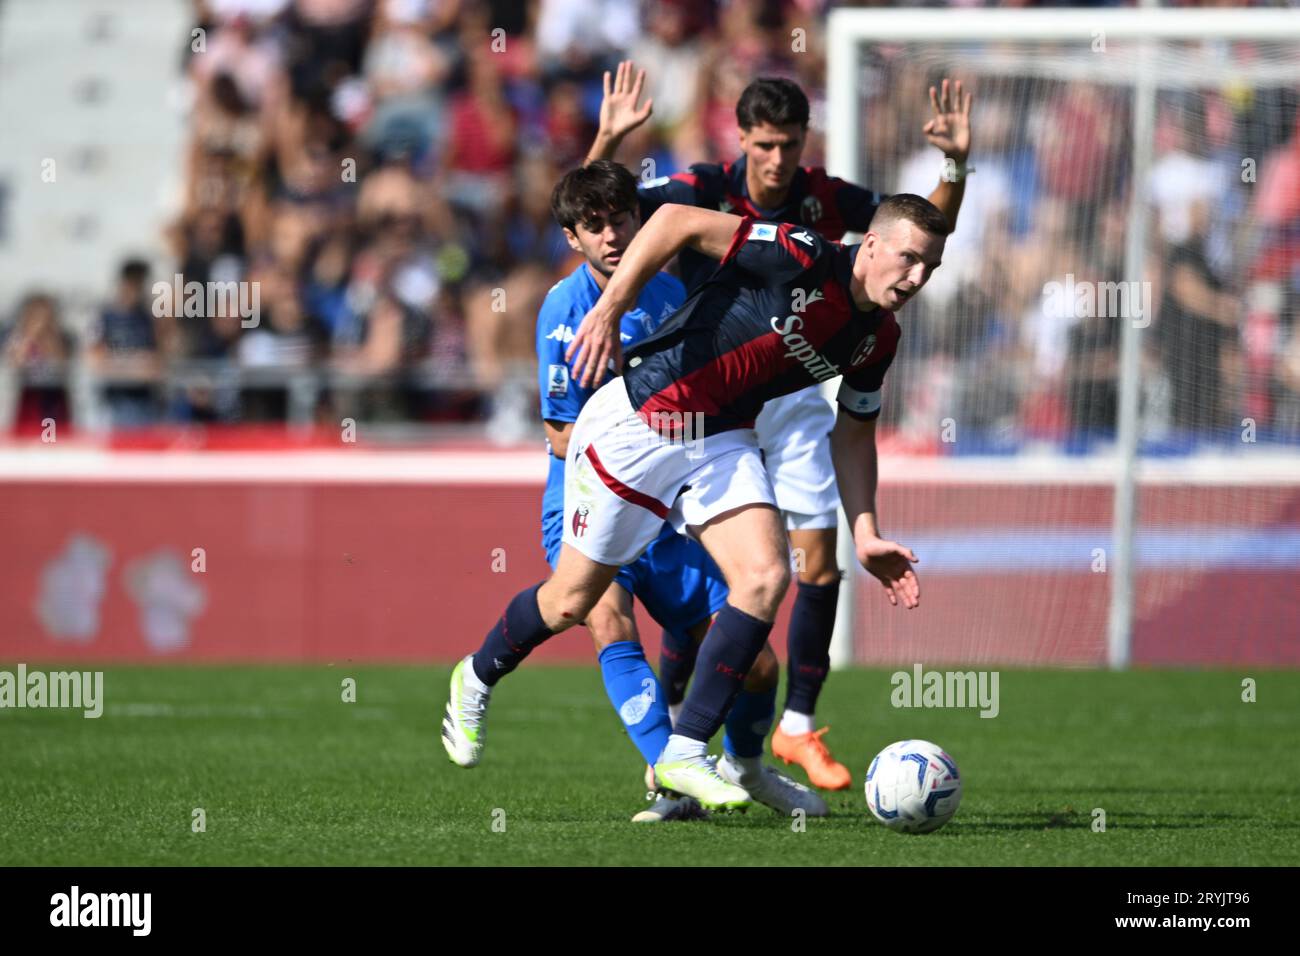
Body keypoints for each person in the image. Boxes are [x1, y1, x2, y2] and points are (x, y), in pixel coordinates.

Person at [442, 192, 946, 810]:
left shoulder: (879, 339)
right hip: (642, 416)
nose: (917, 277)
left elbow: (854, 430)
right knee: (571, 600)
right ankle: (477, 673)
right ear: (870, 244)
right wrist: (611, 308)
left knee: (764, 577)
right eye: (909, 258)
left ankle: (685, 754)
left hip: (723, 437)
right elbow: (677, 220)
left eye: (930, 267)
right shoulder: (802, 254)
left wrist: (864, 531)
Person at [580, 65, 971, 789]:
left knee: (809, 566)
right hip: (695, 383)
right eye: (765, 144)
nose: (777, 159)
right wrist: (608, 140)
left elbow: (919, 224)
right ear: (744, 141)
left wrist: (956, 165)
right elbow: (596, 214)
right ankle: (679, 727)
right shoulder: (704, 188)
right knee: (700, 584)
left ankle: (787, 731)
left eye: (790, 143)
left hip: (789, 395)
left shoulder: (829, 205)